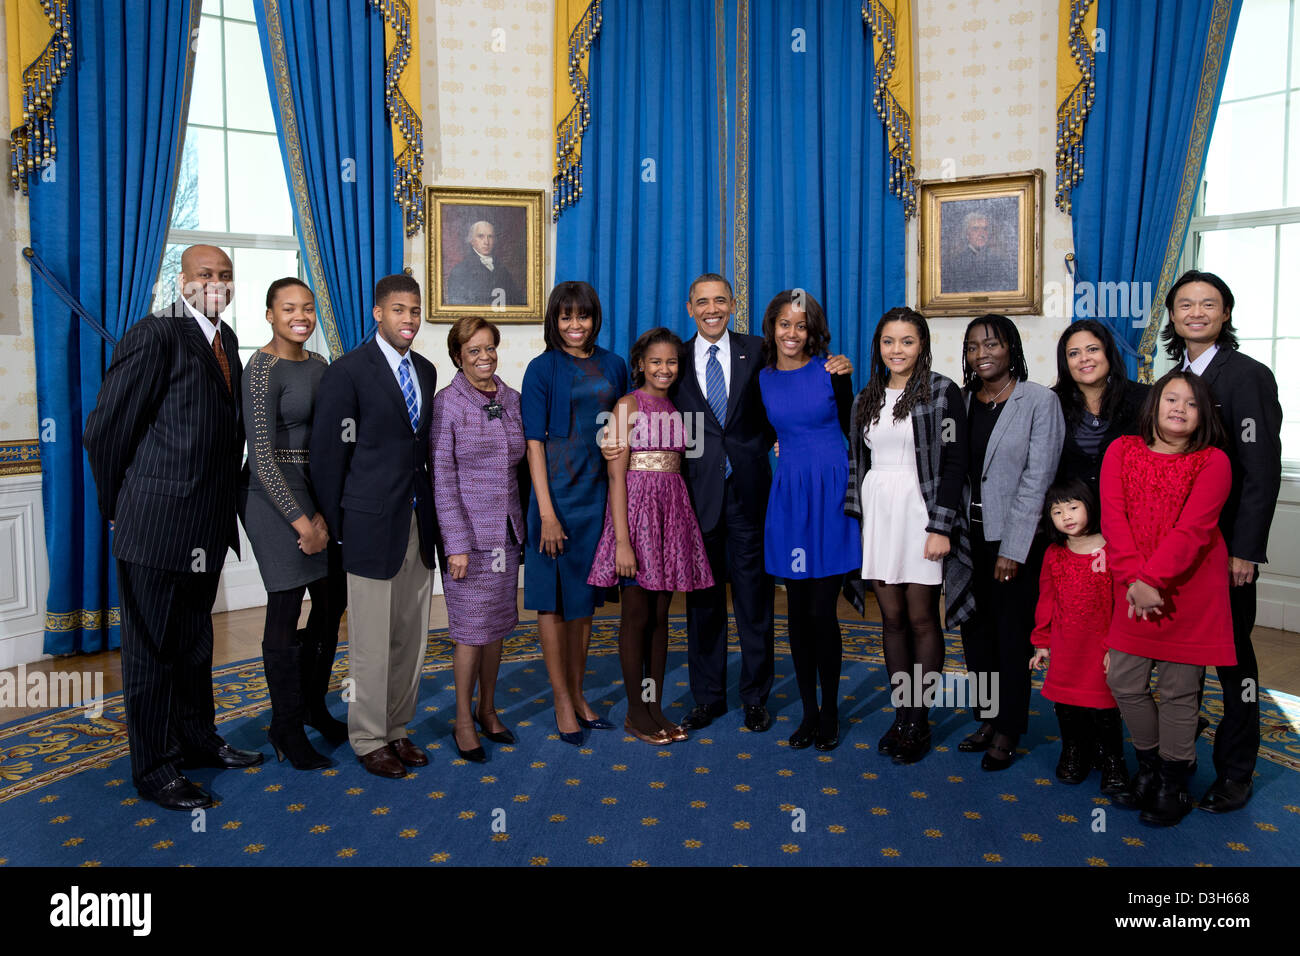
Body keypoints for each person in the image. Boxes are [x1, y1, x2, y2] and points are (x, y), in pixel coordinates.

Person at [84, 244, 263, 811]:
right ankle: (155, 770)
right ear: (182, 281)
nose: (216, 283)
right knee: (151, 652)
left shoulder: (226, 340)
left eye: (225, 275)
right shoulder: (155, 333)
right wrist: (118, 504)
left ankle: (197, 740)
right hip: (155, 523)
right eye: (204, 274)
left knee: (192, 645)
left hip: (205, 527)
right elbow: (105, 429)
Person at [664, 274, 852, 734]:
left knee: (755, 603)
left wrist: (782, 446)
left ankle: (755, 698)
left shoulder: (760, 351)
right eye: (702, 302)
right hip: (699, 495)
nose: (712, 309)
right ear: (690, 308)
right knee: (703, 604)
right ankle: (708, 698)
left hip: (755, 495)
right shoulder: (674, 360)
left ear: (733, 305)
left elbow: (790, 406)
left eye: (721, 301)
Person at [1160, 270, 1282, 814]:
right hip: (1181, 550)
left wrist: (1246, 550)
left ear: (1226, 313)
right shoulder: (1173, 379)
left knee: (1235, 664)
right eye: (1185, 304)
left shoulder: (1247, 377)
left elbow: (1261, 471)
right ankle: (1179, 752)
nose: (1196, 313)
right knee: (1181, 657)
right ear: (1171, 315)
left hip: (1226, 551)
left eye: (1208, 304)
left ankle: (1236, 770)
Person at [310, 274, 440, 779]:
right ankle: (367, 737)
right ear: (376, 313)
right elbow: (328, 457)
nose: (409, 319)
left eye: (415, 310)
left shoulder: (427, 371)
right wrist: (340, 528)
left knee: (411, 637)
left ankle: (397, 728)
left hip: (417, 521)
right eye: (399, 310)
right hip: (366, 525)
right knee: (370, 639)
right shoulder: (347, 372)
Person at [1100, 370, 1235, 826]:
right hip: (1132, 585)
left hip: (1189, 589)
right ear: (1154, 405)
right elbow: (1113, 518)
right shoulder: (1122, 450)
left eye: (1191, 403)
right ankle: (1154, 762)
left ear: (1202, 416)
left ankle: (1173, 781)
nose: (1179, 408)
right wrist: (1133, 579)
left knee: (1179, 692)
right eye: (1171, 398)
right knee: (1124, 680)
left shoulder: (1214, 461)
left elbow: (1195, 530)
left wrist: (1152, 579)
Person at [845, 307, 974, 765]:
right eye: (888, 342)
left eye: (906, 341)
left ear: (922, 345)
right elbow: (857, 459)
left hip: (921, 511)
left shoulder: (943, 392)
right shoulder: (867, 396)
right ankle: (901, 713)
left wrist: (941, 525)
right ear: (878, 346)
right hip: (880, 511)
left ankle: (920, 719)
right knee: (891, 619)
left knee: (922, 619)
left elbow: (956, 462)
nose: (896, 350)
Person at [239, 278, 347, 771]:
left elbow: (331, 443)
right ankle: (284, 724)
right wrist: (304, 523)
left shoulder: (323, 366)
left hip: (315, 489)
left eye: (307, 308)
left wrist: (324, 510)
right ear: (269, 314)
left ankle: (312, 705)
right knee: (285, 603)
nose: (300, 316)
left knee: (331, 602)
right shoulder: (260, 370)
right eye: (288, 308)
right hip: (269, 495)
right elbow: (260, 459)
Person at [587, 328, 713, 745]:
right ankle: (635, 713)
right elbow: (616, 477)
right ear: (640, 364)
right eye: (655, 361)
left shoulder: (676, 408)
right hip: (636, 520)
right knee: (636, 618)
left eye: (672, 362)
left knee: (661, 620)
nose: (664, 368)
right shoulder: (627, 406)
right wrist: (623, 542)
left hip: (671, 518)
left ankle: (654, 706)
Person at [522, 281, 629, 743]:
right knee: (553, 603)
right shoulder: (540, 369)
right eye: (565, 317)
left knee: (583, 604)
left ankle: (581, 693)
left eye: (582, 316)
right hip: (555, 497)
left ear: (594, 318)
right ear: (554, 321)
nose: (574, 325)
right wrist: (545, 511)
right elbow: (533, 443)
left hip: (597, 496)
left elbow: (628, 423)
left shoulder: (615, 364)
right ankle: (562, 700)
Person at [958, 314, 1064, 771]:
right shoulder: (961, 402)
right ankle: (986, 717)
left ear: (1012, 348)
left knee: (1010, 638)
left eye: (992, 344)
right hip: (968, 539)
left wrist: (1013, 548)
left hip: (1012, 542)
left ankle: (1008, 728)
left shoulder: (1039, 401)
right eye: (972, 347)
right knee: (975, 634)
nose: (981, 354)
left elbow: (1038, 479)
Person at [757, 291, 860, 752]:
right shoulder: (761, 380)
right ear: (772, 327)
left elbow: (857, 432)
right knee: (797, 615)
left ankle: (832, 711)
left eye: (801, 325)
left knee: (822, 613)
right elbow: (758, 435)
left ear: (812, 331)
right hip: (792, 498)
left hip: (832, 496)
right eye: (784, 324)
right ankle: (809, 712)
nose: (792, 333)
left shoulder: (832, 372)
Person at [431, 316, 526, 763]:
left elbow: (522, 463)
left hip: (507, 534)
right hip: (468, 538)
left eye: (489, 348)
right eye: (474, 351)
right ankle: (463, 721)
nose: (484, 357)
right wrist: (456, 544)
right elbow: (442, 478)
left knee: (497, 628)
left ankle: (488, 711)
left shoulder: (511, 399)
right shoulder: (448, 404)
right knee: (470, 633)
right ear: (457, 357)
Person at [1029, 478, 1128, 794]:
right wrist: (1041, 643)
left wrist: (1116, 646)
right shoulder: (1054, 554)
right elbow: (1046, 599)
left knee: (1104, 706)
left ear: (1090, 506)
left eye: (1073, 507)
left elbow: (1121, 600)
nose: (1067, 516)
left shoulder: (1110, 549)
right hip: (1065, 645)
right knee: (1067, 704)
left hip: (1100, 646)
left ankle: (1113, 758)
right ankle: (1074, 751)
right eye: (1057, 512)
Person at [1051, 318, 1149, 495]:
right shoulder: (1050, 403)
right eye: (1074, 353)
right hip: (1069, 516)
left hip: (1131, 510)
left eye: (1093, 349)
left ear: (1108, 354)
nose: (1084, 359)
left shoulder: (1146, 398)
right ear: (1065, 362)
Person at [444, 220, 525, 307]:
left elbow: (516, 299)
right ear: (471, 240)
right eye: (481, 236)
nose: (486, 242)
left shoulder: (502, 269)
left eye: (490, 237)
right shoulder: (460, 270)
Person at [941, 209, 1016, 294]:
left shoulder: (998, 262)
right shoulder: (955, 263)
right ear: (967, 234)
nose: (981, 233)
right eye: (975, 229)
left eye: (985, 229)